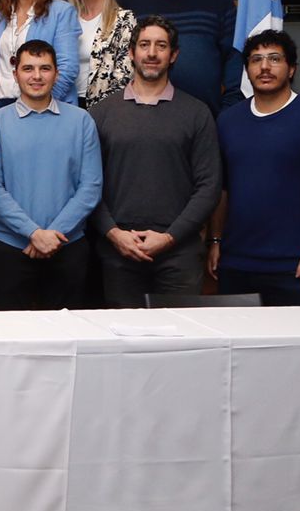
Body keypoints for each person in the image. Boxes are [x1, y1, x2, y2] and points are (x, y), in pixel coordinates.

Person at [209, 30, 300, 305]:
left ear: (291, 69)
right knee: (237, 346)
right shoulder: (228, 121)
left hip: (297, 266)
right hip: (235, 264)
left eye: (274, 59)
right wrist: (215, 242)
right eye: (256, 60)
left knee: (293, 347)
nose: (264, 67)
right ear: (247, 70)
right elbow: (222, 188)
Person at [89, 17, 222, 307]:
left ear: (173, 55)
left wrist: (170, 237)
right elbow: (88, 185)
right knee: (122, 346)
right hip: (118, 251)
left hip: (179, 253)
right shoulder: (101, 114)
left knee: (179, 346)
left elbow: (209, 186)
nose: (151, 53)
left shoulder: (197, 113)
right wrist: (114, 234)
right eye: (144, 45)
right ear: (131, 53)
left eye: (161, 46)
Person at [0, 40, 103, 311]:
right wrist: (33, 233)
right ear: (15, 74)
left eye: (45, 68)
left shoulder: (81, 120)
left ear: (57, 74)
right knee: (12, 341)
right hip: (9, 248)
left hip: (67, 246)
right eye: (28, 68)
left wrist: (52, 234)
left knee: (68, 338)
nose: (36, 76)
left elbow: (90, 187)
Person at [117, 0, 241, 113]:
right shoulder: (127, 3)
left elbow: (234, 61)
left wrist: (228, 112)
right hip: (140, 121)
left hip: (206, 122)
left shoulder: (218, 1)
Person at [67, 0, 138, 108]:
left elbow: (125, 77)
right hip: (64, 106)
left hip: (106, 108)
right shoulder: (64, 19)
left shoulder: (124, 20)